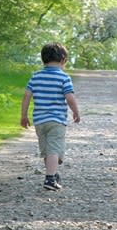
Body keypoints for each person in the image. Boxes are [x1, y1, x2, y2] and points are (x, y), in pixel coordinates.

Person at [20, 42, 81, 191]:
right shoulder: (64, 77)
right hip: (56, 120)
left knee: (47, 150)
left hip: (39, 121)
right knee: (54, 149)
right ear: (62, 60)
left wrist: (24, 116)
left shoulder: (36, 76)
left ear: (43, 60)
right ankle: (50, 178)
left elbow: (26, 96)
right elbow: (70, 98)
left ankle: (52, 173)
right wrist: (76, 112)